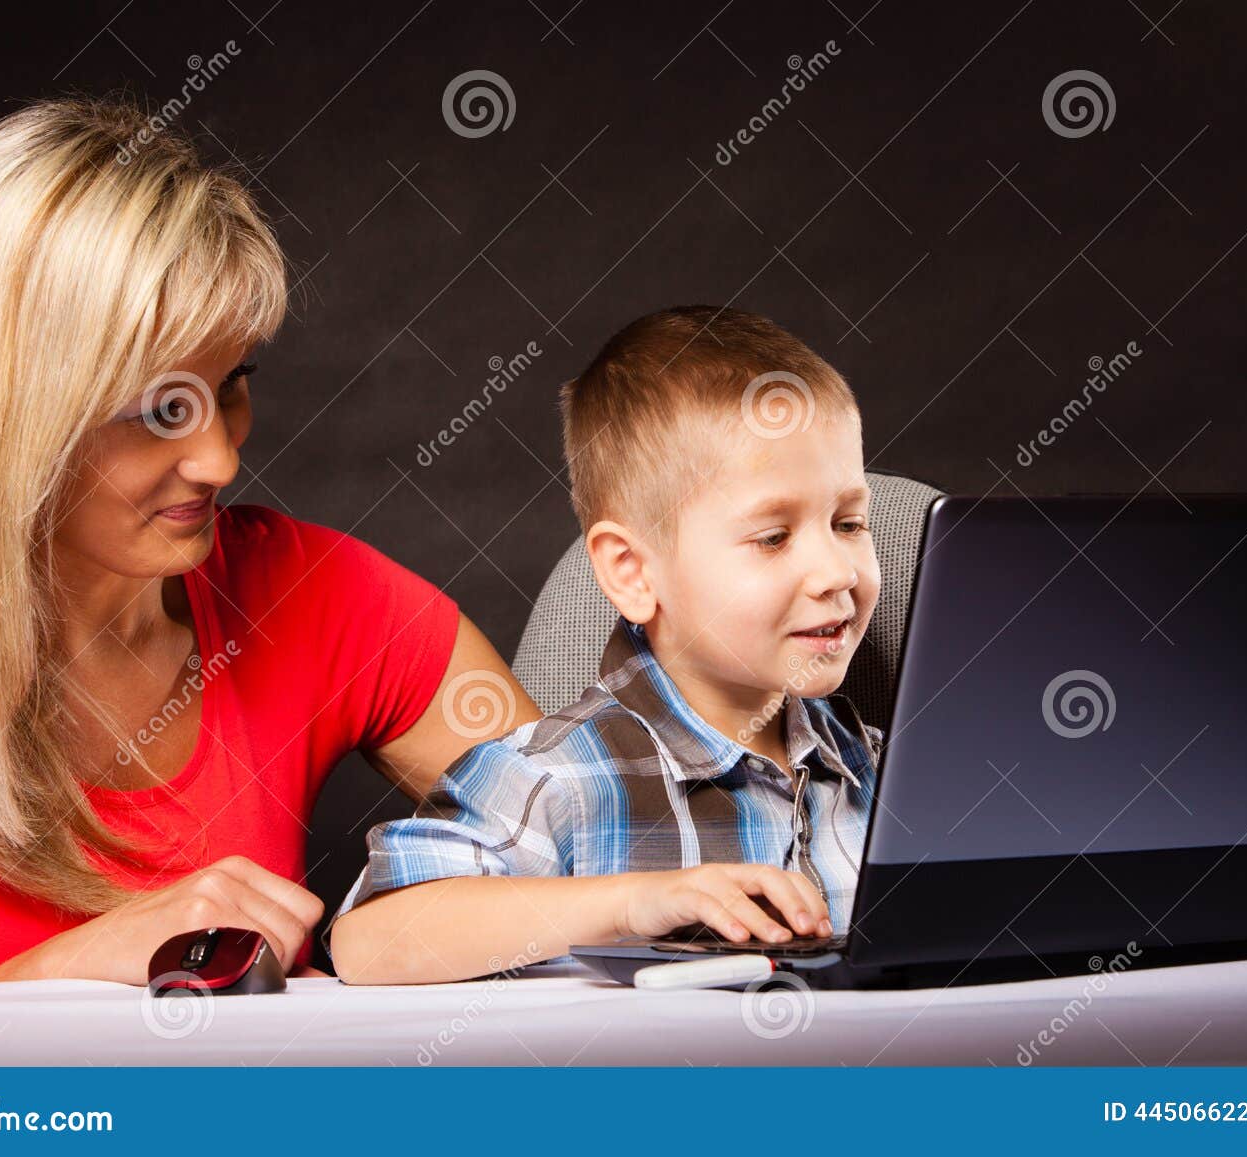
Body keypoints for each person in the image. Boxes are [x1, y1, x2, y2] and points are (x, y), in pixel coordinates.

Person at [0, 98, 539, 989]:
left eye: (231, 382)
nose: (218, 456)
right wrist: (70, 976)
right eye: (158, 410)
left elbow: (603, 855)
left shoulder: (312, 592)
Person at [329, 306, 883, 985]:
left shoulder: (888, 771)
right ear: (633, 572)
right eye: (773, 537)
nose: (837, 573)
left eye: (850, 522)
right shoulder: (556, 775)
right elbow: (372, 936)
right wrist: (633, 902)